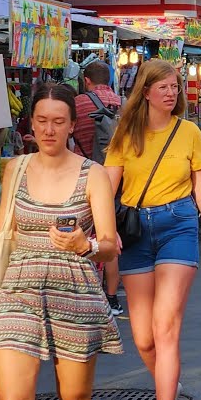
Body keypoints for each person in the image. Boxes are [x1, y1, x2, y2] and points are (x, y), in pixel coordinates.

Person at [0, 83, 121, 400]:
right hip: (19, 289)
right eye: (42, 120)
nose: (49, 129)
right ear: (31, 123)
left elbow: (110, 244)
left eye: (58, 122)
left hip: (74, 291)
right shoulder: (15, 168)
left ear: (72, 125)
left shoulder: (93, 174)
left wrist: (85, 245)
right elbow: (1, 234)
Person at [103, 59, 201, 400]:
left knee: (165, 326)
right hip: (136, 230)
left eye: (175, 86)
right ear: (146, 92)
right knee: (143, 337)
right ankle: (167, 380)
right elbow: (106, 188)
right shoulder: (125, 134)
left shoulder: (189, 132)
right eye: (163, 87)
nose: (171, 93)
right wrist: (102, 232)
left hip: (178, 224)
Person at [73, 60, 124, 315]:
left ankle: (87, 292)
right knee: (109, 236)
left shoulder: (78, 103)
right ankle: (112, 297)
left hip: (83, 175)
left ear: (87, 80)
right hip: (117, 177)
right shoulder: (123, 103)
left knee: (84, 235)